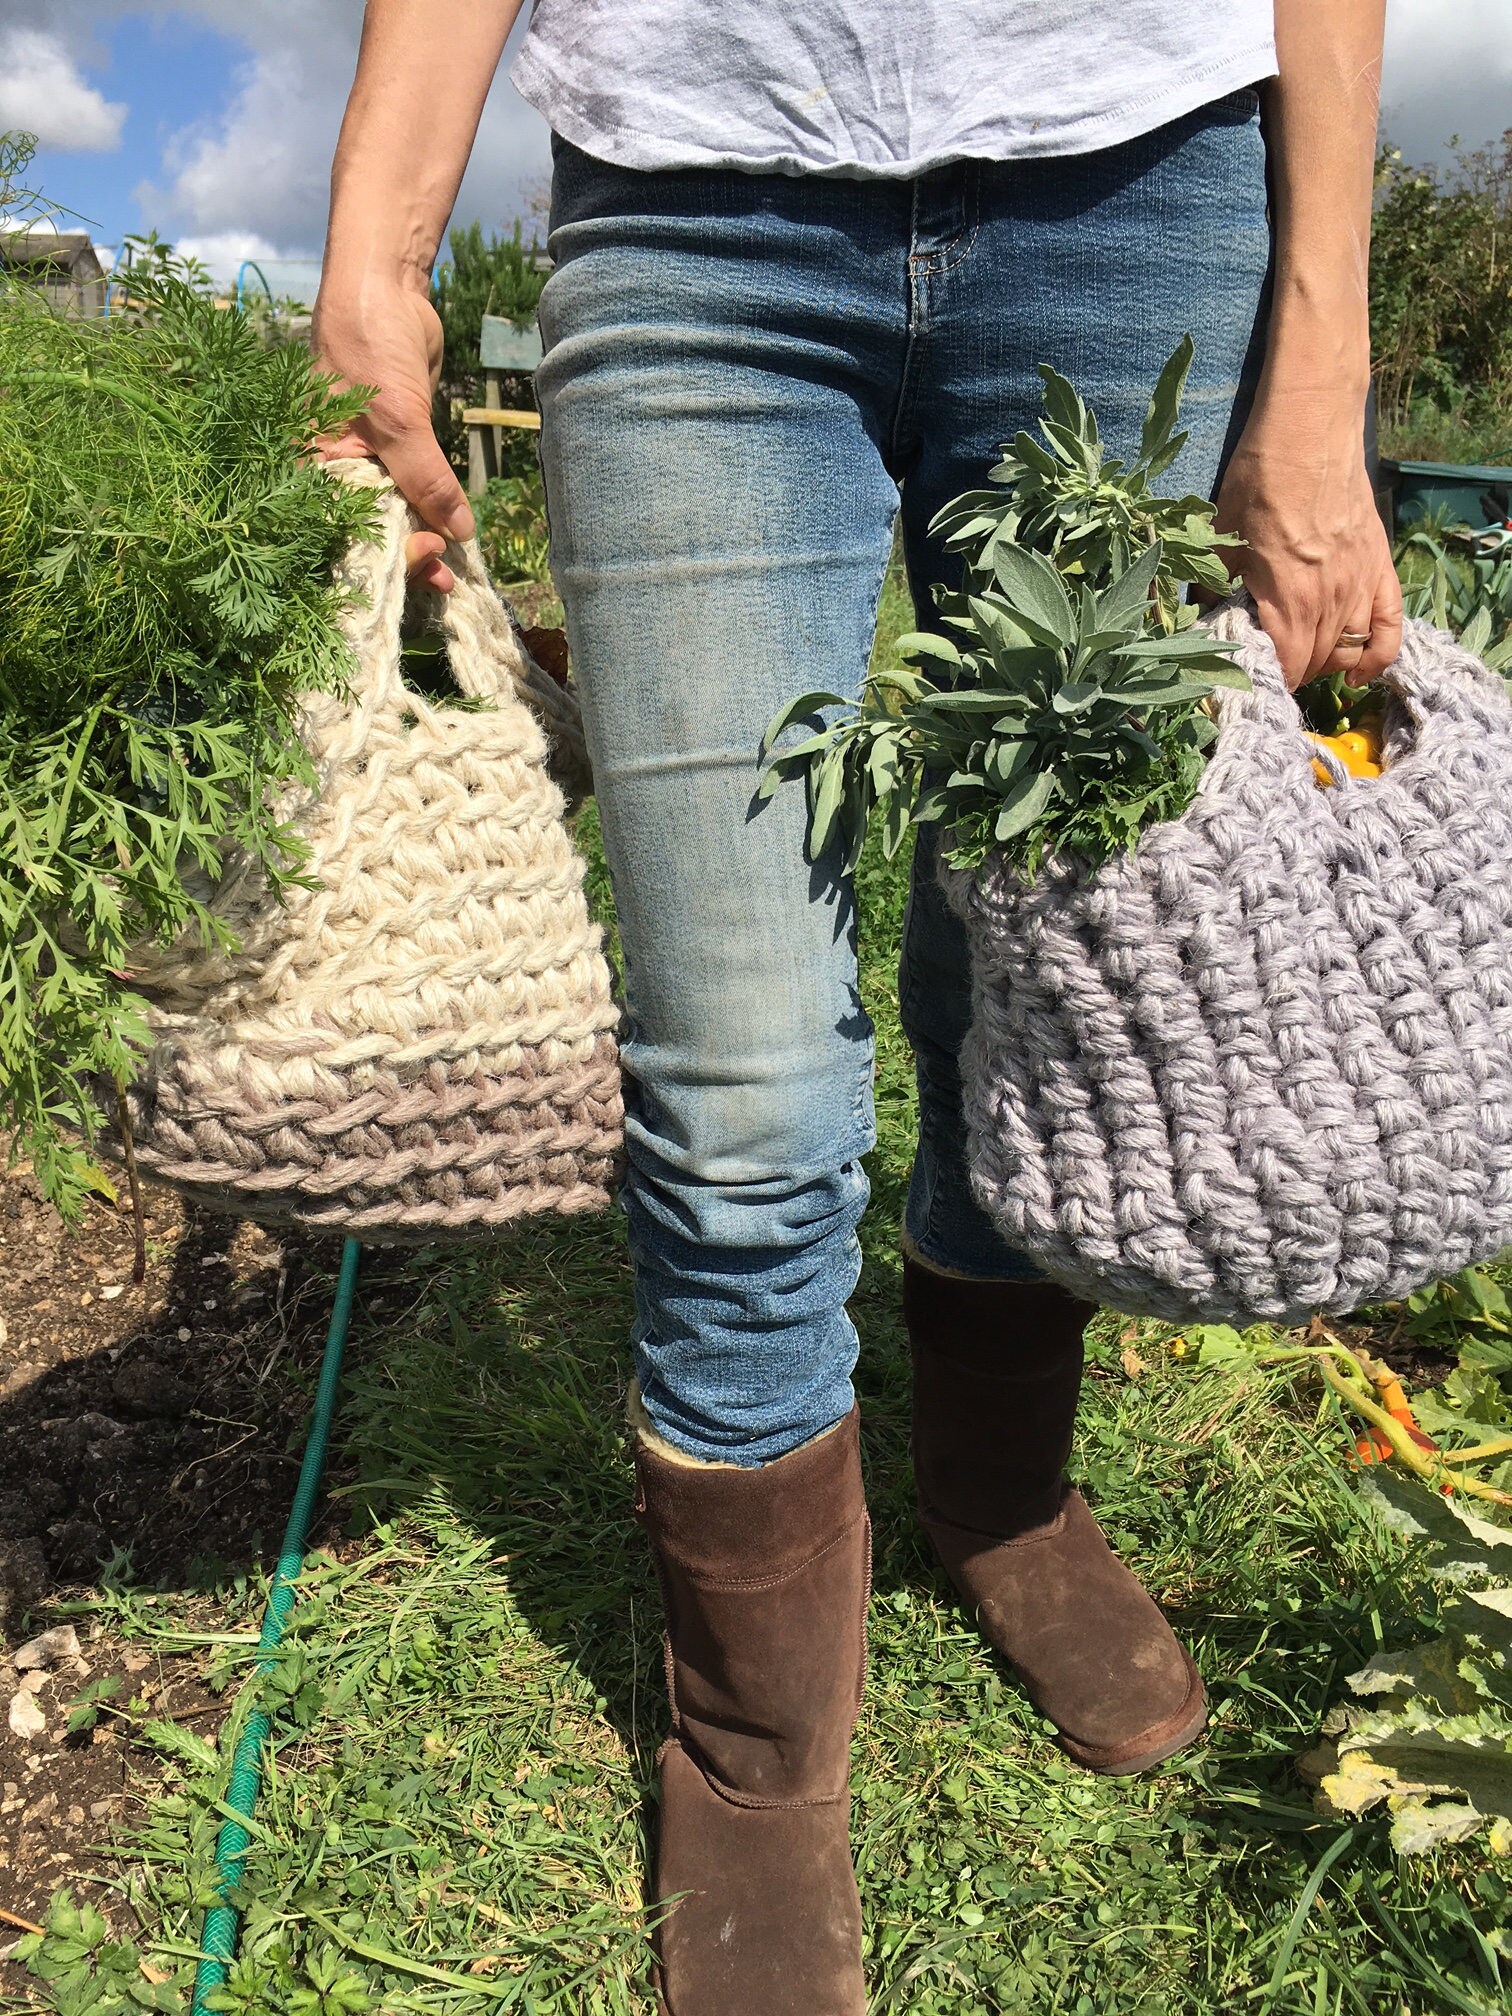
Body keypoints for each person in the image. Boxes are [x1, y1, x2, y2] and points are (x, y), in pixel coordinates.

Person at [313, 5, 1400, 2008]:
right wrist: (378, 249)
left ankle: (1002, 1496)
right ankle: (751, 1737)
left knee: (1042, 980)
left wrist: (1317, 367)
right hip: (692, 214)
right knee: (736, 1062)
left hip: (1137, 180)